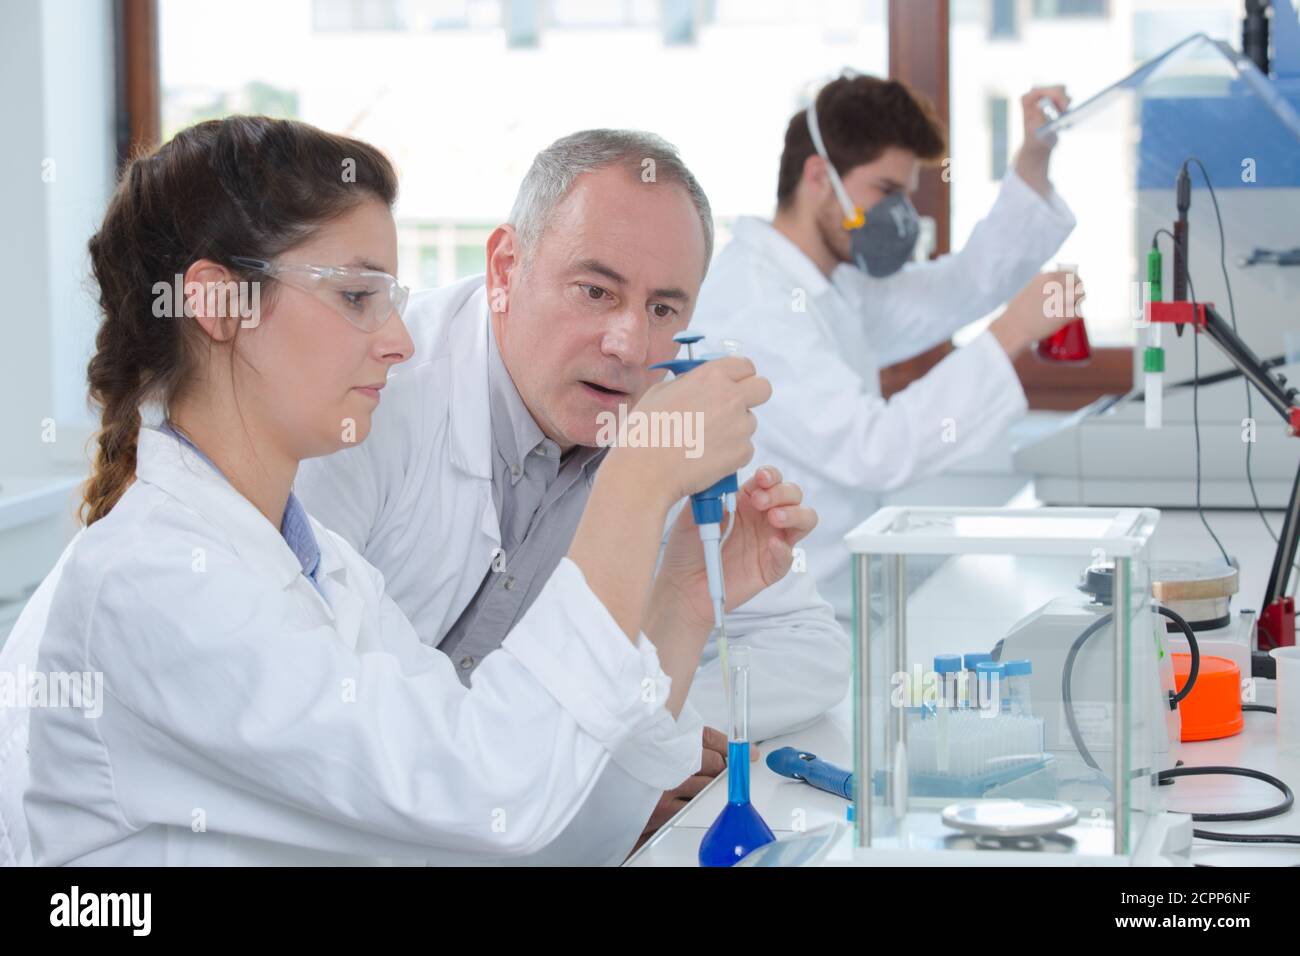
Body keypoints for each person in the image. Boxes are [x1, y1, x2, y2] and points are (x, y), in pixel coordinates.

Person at [15, 116, 788, 866]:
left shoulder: (328, 571)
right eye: (356, 296)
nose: (402, 339)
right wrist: (638, 478)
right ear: (219, 304)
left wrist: (683, 600)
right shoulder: (158, 588)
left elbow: (519, 824)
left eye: (390, 296)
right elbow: (494, 786)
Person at [296, 129, 851, 851]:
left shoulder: (669, 407)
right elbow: (331, 721)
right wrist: (594, 751)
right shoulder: (371, 398)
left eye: (663, 310)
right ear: (505, 267)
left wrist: (643, 742)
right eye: (595, 291)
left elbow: (810, 647)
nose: (628, 343)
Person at [694, 74, 1084, 623]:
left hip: (830, 595)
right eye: (886, 191)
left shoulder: (832, 282)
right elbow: (873, 449)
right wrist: (1013, 332)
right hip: (771, 617)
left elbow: (962, 286)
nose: (899, 214)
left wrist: (1034, 157)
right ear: (818, 177)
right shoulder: (758, 303)